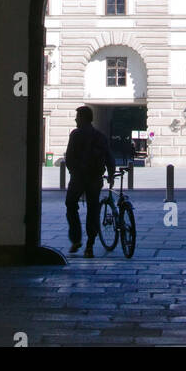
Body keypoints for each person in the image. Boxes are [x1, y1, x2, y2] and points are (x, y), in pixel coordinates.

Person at [64, 106, 115, 258]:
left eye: (77, 117)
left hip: (79, 178)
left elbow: (69, 157)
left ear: (83, 118)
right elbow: (109, 157)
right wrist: (111, 174)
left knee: (70, 204)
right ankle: (89, 245)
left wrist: (73, 172)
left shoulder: (75, 134)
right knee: (93, 210)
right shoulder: (100, 136)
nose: (75, 119)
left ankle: (76, 238)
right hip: (95, 178)